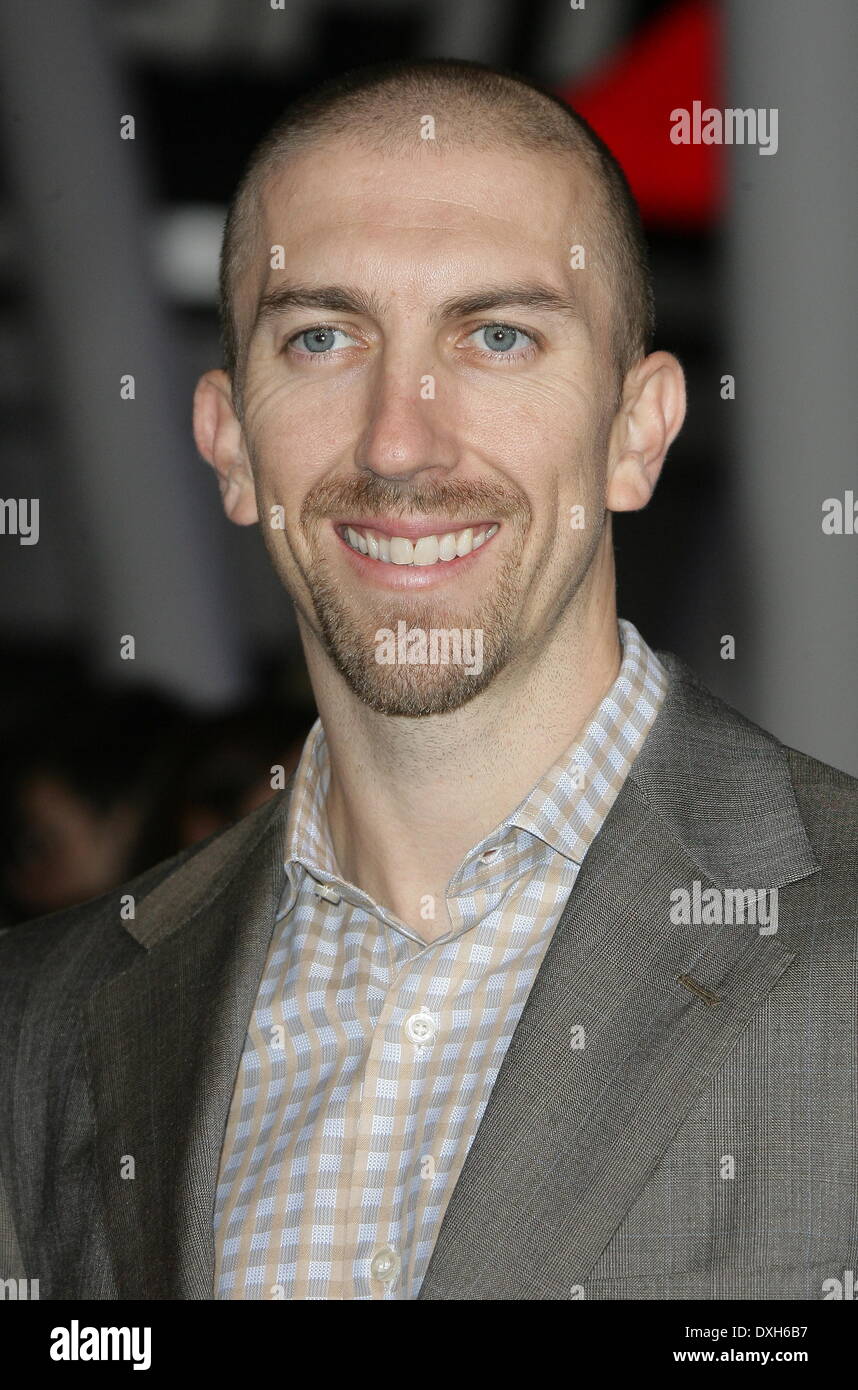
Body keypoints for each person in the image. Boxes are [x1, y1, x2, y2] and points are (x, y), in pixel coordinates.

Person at [1, 58, 855, 1302]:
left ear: (637, 431)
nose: (401, 438)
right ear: (231, 443)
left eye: (498, 335)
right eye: (324, 337)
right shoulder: (40, 1029)